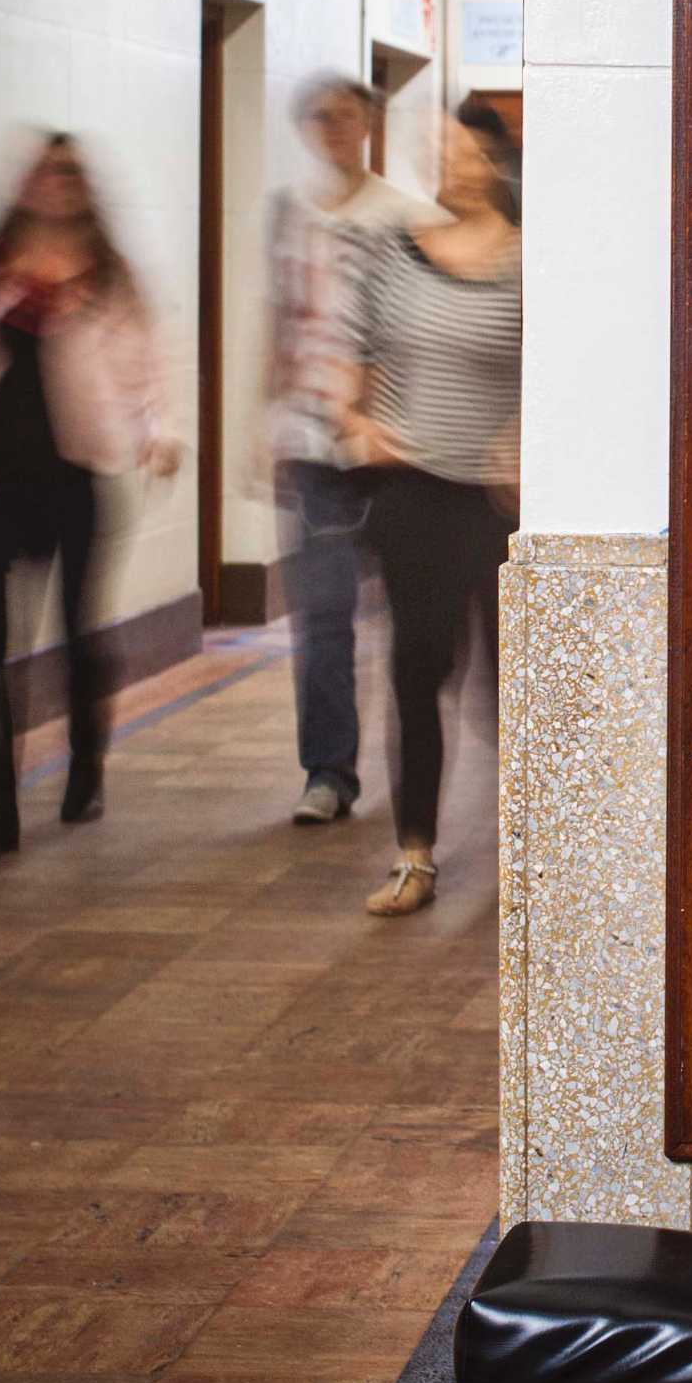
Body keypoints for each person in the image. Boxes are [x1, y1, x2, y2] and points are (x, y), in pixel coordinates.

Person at [0, 136, 176, 860]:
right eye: (44, 172)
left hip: (75, 473)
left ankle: (85, 766)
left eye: (70, 173)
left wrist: (157, 432)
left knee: (80, 632)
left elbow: (145, 367)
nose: (56, 184)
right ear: (24, 185)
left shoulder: (109, 278)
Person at [341, 97, 521, 917]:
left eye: (465, 151)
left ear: (494, 160)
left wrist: (521, 435)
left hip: (499, 506)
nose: (452, 165)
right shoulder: (394, 251)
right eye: (440, 151)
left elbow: (557, 368)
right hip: (411, 494)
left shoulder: (529, 259)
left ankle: (538, 856)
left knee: (510, 686)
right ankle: (414, 856)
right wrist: (357, 420)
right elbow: (358, 350)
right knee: (418, 675)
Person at [264, 76, 443, 828]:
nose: (334, 129)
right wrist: (262, 418)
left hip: (394, 449)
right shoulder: (290, 214)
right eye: (320, 117)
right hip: (310, 444)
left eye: (347, 116)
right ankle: (328, 773)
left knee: (412, 628)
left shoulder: (405, 217)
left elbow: (426, 327)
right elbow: (280, 320)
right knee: (324, 615)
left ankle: (421, 789)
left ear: (370, 124)